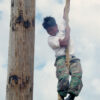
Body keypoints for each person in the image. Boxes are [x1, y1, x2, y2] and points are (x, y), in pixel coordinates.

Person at [42, 6, 83, 100]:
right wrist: (68, 32)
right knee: (64, 77)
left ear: (56, 25)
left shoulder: (61, 26)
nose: (51, 32)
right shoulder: (50, 40)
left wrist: (67, 5)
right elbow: (64, 43)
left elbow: (65, 14)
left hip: (72, 57)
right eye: (48, 31)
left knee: (78, 75)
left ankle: (72, 96)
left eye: (52, 29)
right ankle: (61, 95)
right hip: (61, 59)